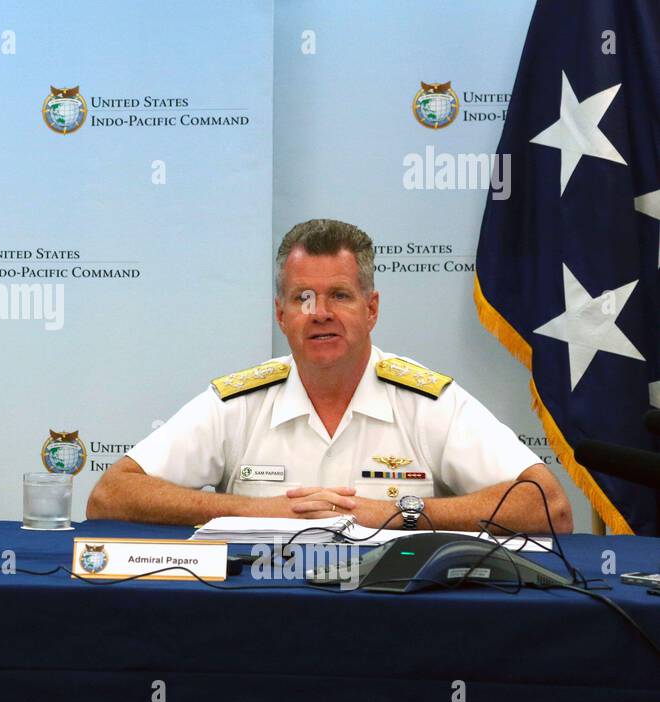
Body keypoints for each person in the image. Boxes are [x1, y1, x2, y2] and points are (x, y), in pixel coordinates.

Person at [87, 219, 572, 534]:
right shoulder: (240, 401)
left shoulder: (426, 401)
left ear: (372, 308)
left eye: (339, 295)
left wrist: (403, 513)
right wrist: (259, 512)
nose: (319, 313)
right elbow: (111, 495)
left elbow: (548, 505)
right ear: (281, 315)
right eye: (302, 298)